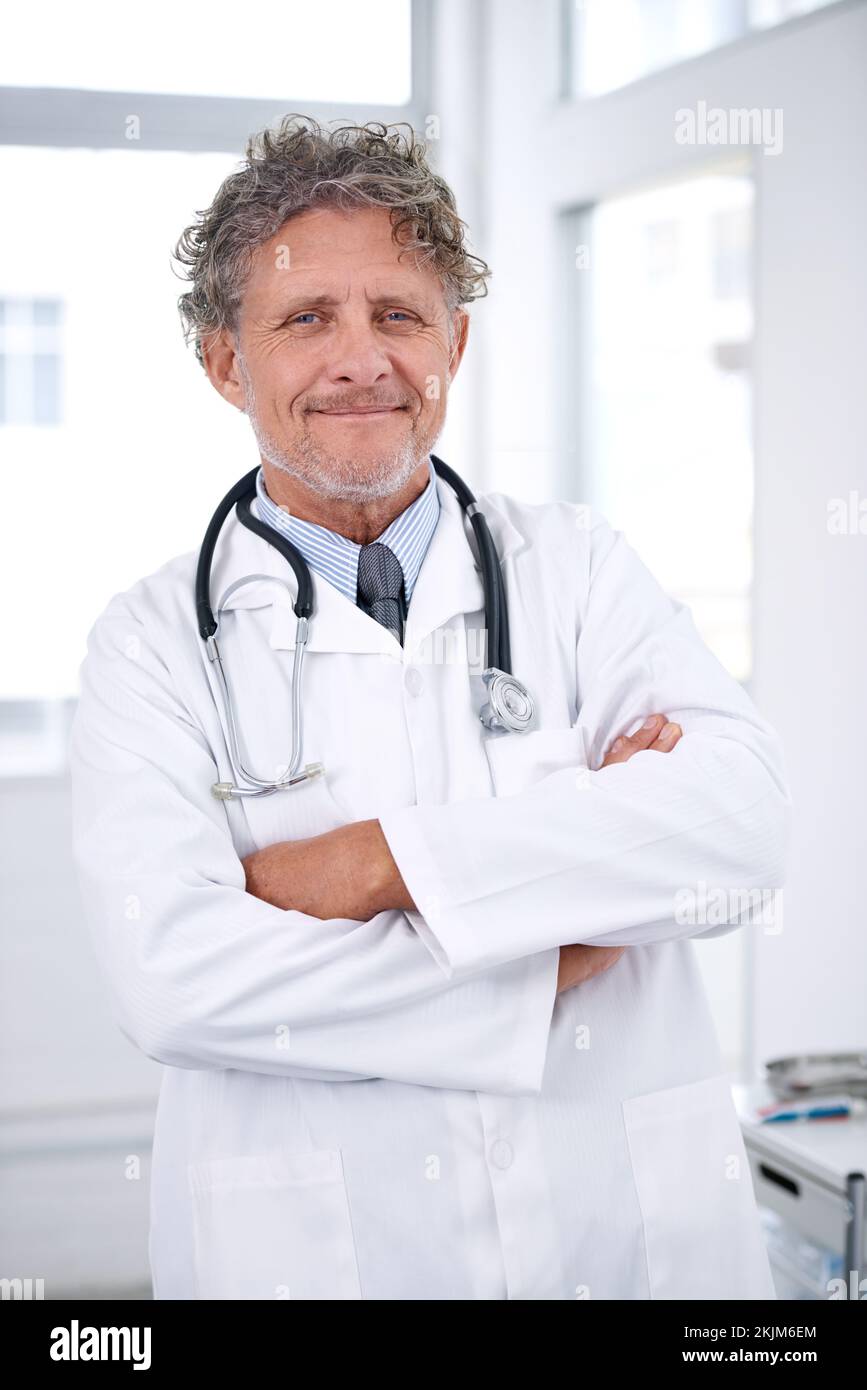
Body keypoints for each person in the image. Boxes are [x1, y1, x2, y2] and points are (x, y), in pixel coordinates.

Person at [69, 115, 791, 1301]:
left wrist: (368, 865)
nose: (363, 360)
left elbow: (741, 832)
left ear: (455, 339)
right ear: (224, 362)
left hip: (628, 1253)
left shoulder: (581, 570)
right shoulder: (150, 647)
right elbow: (180, 979)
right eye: (308, 319)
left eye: (399, 315)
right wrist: (554, 947)